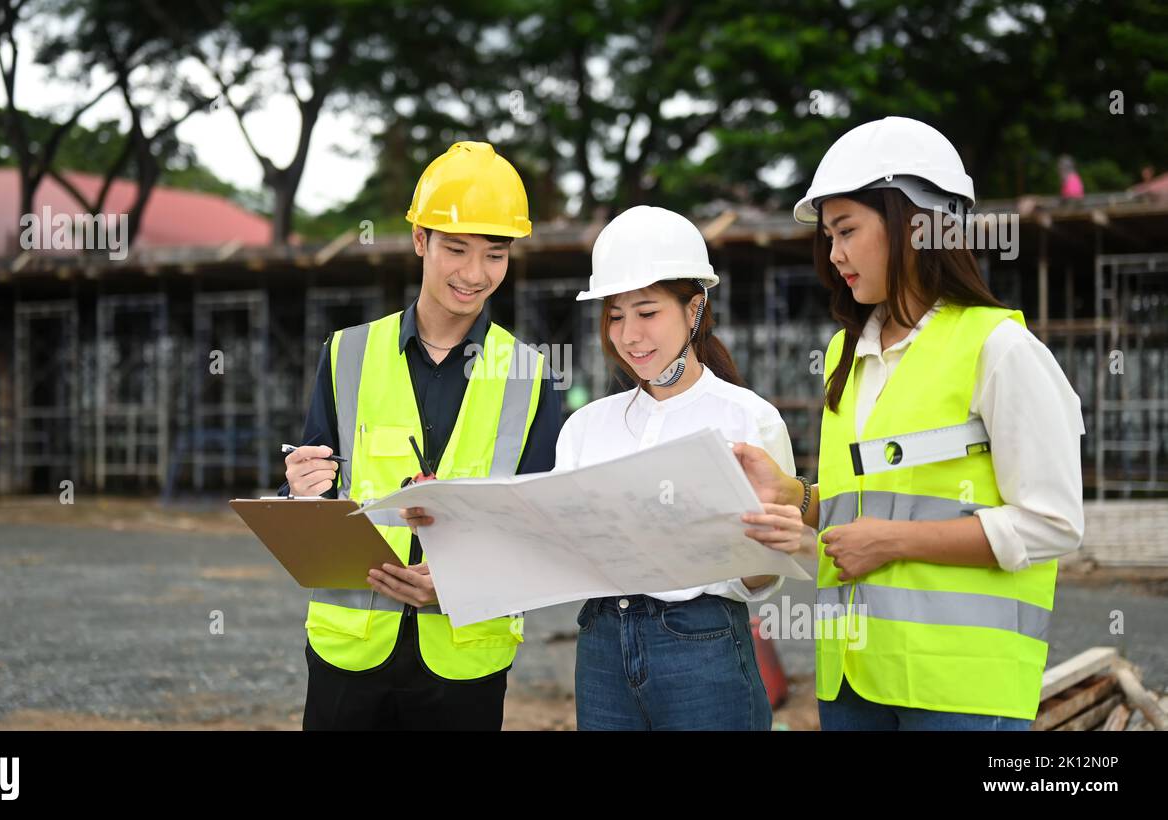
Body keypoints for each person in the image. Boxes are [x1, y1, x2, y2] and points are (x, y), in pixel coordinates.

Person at [736, 116, 1085, 730]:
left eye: (847, 230)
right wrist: (799, 498)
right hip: (850, 677)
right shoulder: (846, 355)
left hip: (961, 689)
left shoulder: (999, 348)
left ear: (917, 225)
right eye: (828, 236)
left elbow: (1054, 524)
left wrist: (893, 544)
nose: (834, 253)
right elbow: (872, 507)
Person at [409, 206, 806, 730]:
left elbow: (759, 577)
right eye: (616, 316)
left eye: (647, 313)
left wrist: (767, 542)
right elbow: (547, 547)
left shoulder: (748, 418)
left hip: (702, 645)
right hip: (601, 644)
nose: (629, 335)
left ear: (694, 309)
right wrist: (458, 569)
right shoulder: (587, 427)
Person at [281, 141, 562, 730]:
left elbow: (540, 524)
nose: (473, 274)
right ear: (420, 242)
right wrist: (302, 494)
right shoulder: (345, 354)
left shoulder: (533, 375)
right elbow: (318, 504)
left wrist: (463, 581)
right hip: (349, 651)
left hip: (464, 655)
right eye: (456, 249)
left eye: (494, 254)